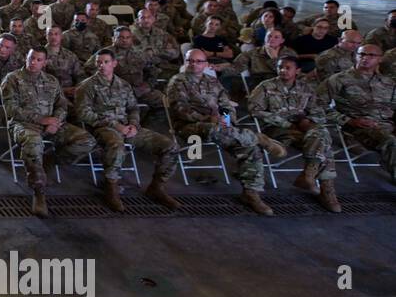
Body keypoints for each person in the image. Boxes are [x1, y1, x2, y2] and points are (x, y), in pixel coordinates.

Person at [164, 48, 282, 216]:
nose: (193, 64)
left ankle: (251, 193)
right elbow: (179, 109)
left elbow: (225, 105)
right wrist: (207, 119)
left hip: (219, 127)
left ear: (205, 64)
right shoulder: (177, 81)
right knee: (218, 130)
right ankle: (256, 137)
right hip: (189, 127)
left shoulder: (212, 82)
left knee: (249, 148)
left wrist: (225, 122)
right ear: (185, 62)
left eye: (198, 61)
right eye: (190, 61)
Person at [74, 49, 179, 211]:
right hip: (104, 128)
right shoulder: (87, 86)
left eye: (106, 62)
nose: (101, 66)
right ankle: (111, 188)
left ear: (114, 64)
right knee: (116, 145)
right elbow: (83, 113)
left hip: (128, 127)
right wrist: (116, 125)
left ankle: (157, 187)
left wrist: (134, 125)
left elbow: (133, 108)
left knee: (169, 147)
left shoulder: (123, 85)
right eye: (99, 62)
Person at [0, 47, 95, 217]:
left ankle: (49, 162)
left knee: (86, 141)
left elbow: (62, 105)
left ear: (44, 62)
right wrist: (42, 120)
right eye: (31, 58)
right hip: (24, 125)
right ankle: (39, 192)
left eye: (38, 59)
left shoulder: (52, 81)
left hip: (52, 124)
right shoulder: (12, 79)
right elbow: (11, 109)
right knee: (34, 143)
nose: (33, 62)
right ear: (26, 58)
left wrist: (56, 121)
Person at [248, 56, 341, 212]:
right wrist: (286, 123)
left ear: (297, 70)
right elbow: (255, 110)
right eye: (280, 67)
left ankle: (310, 176)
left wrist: (307, 119)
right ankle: (323, 188)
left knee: (321, 135)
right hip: (276, 128)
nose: (283, 70)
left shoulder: (306, 88)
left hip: (301, 130)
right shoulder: (266, 86)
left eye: (287, 67)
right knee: (324, 145)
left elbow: (318, 111)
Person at [323, 44, 396, 184]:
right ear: (355, 56)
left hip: (388, 125)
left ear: (380, 59)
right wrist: (348, 120)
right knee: (391, 142)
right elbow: (317, 105)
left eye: (371, 55)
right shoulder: (339, 79)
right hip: (359, 127)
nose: (365, 58)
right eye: (361, 54)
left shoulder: (388, 82)